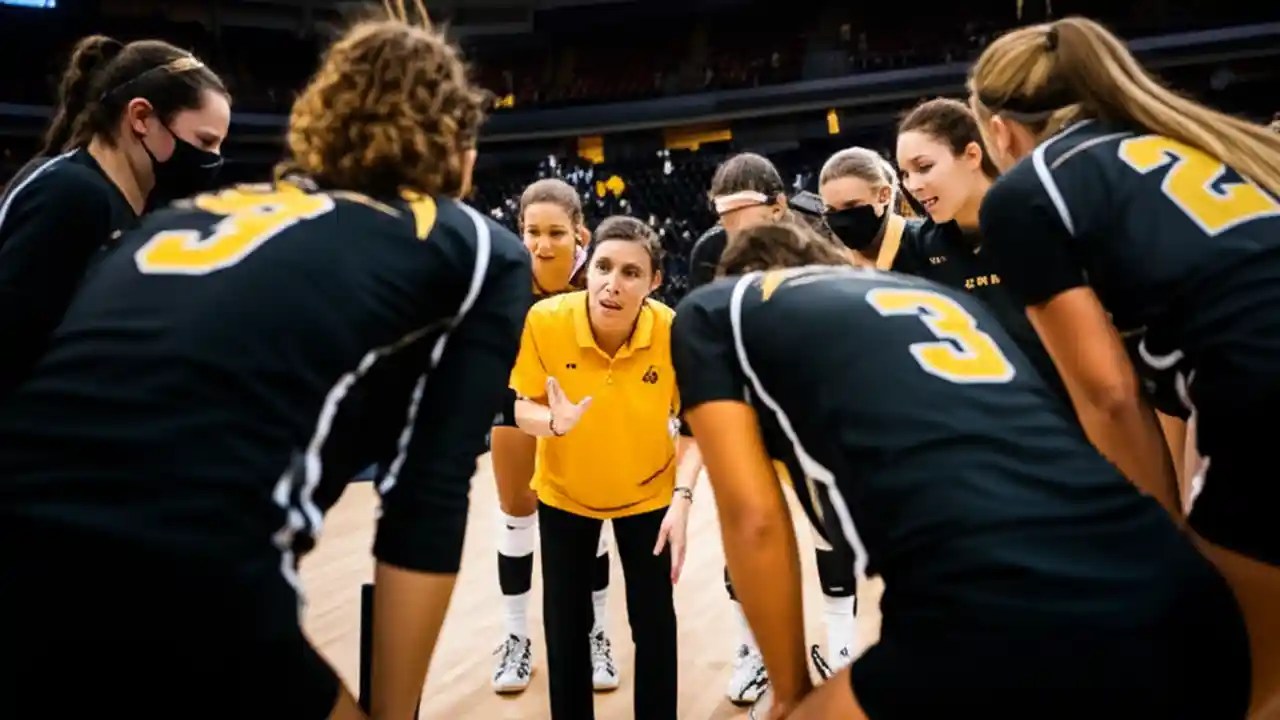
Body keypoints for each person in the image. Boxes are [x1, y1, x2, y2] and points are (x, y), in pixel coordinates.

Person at [0, 3, 524, 719]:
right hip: (186, 573)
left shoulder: (191, 215)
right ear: (458, 149)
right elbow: (423, 499)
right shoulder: (473, 243)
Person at [674, 220, 1251, 720]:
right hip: (1178, 588)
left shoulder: (716, 308)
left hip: (995, 613)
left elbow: (753, 519)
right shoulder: (933, 296)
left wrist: (791, 694)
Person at [967, 16, 1280, 713]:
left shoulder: (1026, 194)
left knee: (1235, 681)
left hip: (1266, 406)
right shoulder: (1197, 141)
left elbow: (1109, 396)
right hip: (1252, 397)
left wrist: (1163, 549)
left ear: (996, 131)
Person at [509, 215, 697, 720]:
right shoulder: (546, 321)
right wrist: (553, 422)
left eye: (632, 273)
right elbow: (522, 407)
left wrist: (682, 500)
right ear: (588, 268)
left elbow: (696, 427)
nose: (613, 284)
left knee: (655, 624)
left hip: (648, 494)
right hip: (566, 492)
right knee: (565, 625)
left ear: (655, 281)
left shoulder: (673, 331)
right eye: (604, 267)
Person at [704, 151, 861, 705]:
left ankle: (840, 645)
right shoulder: (708, 254)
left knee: (829, 530)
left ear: (777, 206)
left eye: (740, 218)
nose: (730, 234)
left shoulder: (820, 238)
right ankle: (754, 648)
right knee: (746, 527)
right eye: (723, 221)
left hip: (815, 403)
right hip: (746, 406)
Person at [0, 34, 230, 394]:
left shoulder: (118, 199)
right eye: (205, 141)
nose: (214, 158)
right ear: (140, 118)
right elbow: (15, 345)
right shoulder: (72, 194)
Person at [490, 177, 619, 694]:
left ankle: (596, 636)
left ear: (579, 233)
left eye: (555, 232)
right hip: (520, 406)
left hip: (587, 412)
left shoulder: (603, 278)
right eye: (531, 231)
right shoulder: (504, 281)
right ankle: (516, 637)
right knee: (516, 516)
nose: (542, 244)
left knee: (594, 524)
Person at [816, 147, 909, 269]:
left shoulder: (926, 248)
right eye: (831, 210)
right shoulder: (828, 263)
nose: (841, 221)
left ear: (884, 195)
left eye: (852, 205)